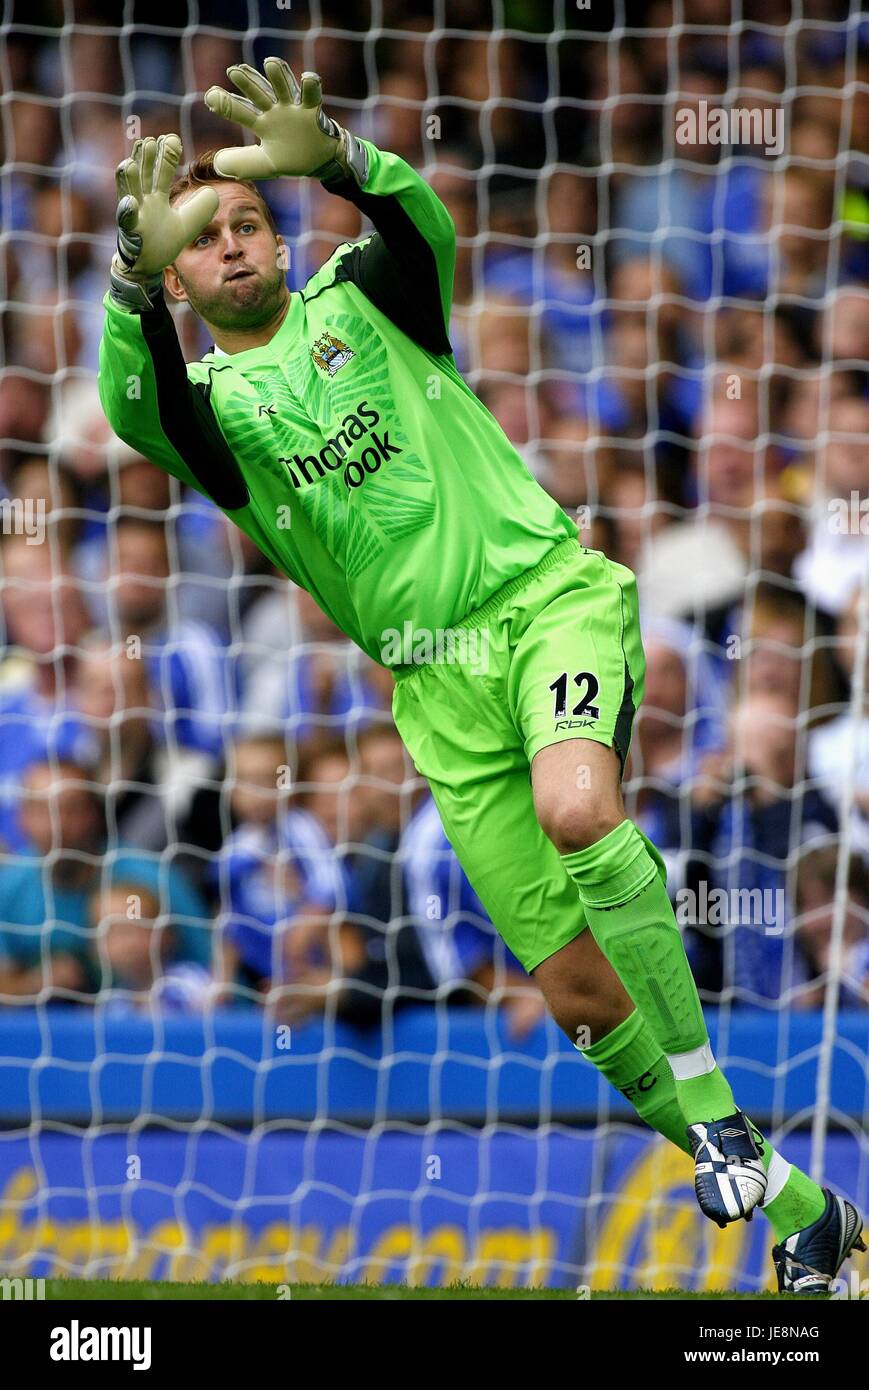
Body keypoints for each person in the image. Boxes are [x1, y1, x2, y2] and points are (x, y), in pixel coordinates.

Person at [97, 57, 863, 1293]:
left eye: (247, 221)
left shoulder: (364, 295)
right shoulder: (218, 420)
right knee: (569, 988)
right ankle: (797, 1204)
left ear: (280, 238)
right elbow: (133, 411)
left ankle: (715, 1114)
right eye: (202, 241)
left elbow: (420, 221)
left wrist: (343, 161)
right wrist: (124, 286)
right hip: (435, 695)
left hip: (541, 603)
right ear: (182, 279)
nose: (232, 245)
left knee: (579, 809)